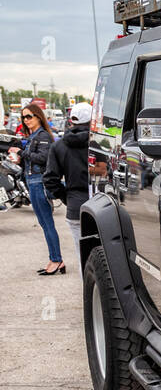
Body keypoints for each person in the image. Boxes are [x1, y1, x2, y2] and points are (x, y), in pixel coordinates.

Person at [9, 104, 63, 275]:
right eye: (23, 117)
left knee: (47, 223)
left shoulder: (43, 136)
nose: (26, 120)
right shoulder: (33, 136)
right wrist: (20, 161)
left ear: (38, 116)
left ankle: (57, 260)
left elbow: (43, 158)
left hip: (39, 183)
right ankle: (54, 259)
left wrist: (21, 152)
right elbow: (33, 160)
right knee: (44, 223)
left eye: (29, 116)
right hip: (32, 182)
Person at [43, 102, 93, 272]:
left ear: (71, 121)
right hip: (103, 205)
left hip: (76, 206)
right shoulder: (100, 143)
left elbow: (50, 179)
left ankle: (89, 295)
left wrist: (67, 197)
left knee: (84, 257)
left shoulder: (58, 146)